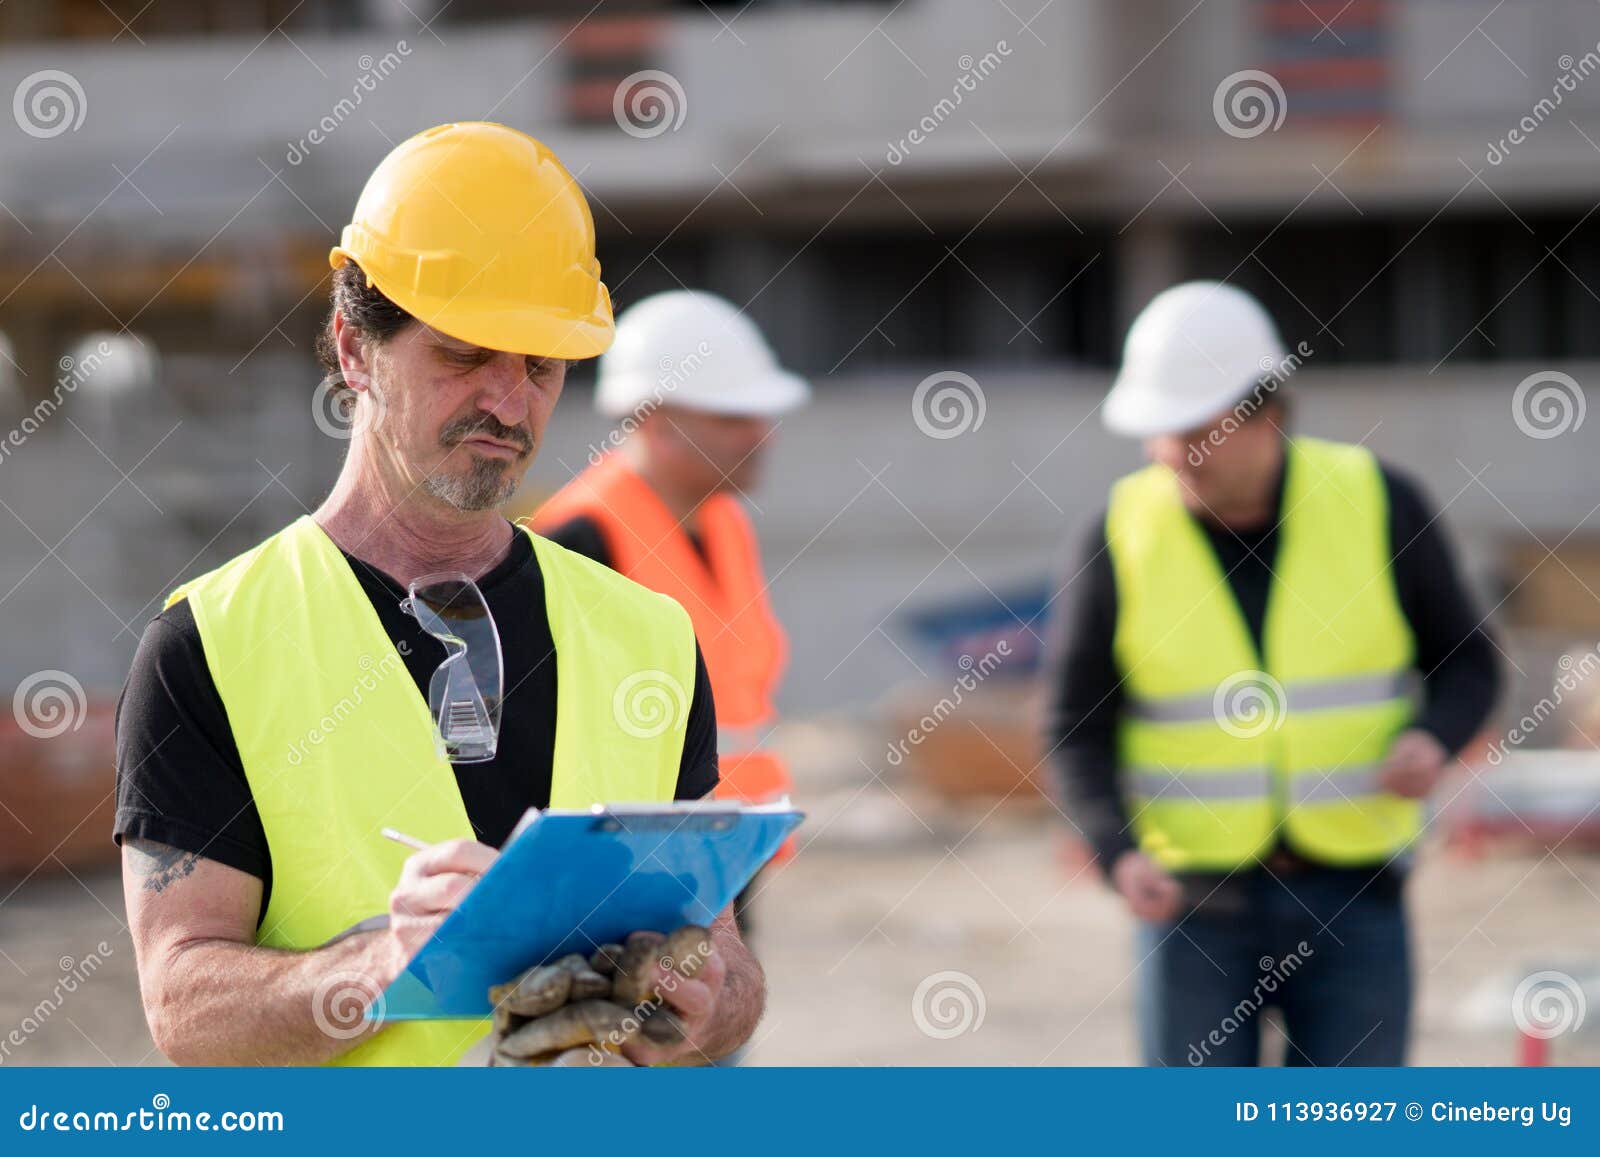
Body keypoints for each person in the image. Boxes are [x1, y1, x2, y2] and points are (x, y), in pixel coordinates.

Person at [113, 123, 765, 1067]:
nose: (510, 403)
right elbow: (183, 1008)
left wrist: (711, 1002)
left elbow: (733, 969)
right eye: (466, 354)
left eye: (541, 365)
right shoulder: (210, 645)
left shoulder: (649, 638)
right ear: (354, 348)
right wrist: (392, 961)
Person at [1043, 281, 1499, 1066]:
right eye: (1159, 433)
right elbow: (1075, 723)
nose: (1173, 452)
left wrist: (1436, 736)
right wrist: (1115, 848)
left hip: (1356, 896)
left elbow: (1470, 663)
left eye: (1196, 430)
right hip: (1192, 908)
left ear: (1269, 414)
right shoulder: (1121, 529)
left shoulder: (1378, 501)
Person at [532, 289, 808, 935]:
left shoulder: (726, 521)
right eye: (734, 415)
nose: (760, 434)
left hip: (725, 860)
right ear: (658, 424)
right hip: (628, 895)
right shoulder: (579, 539)